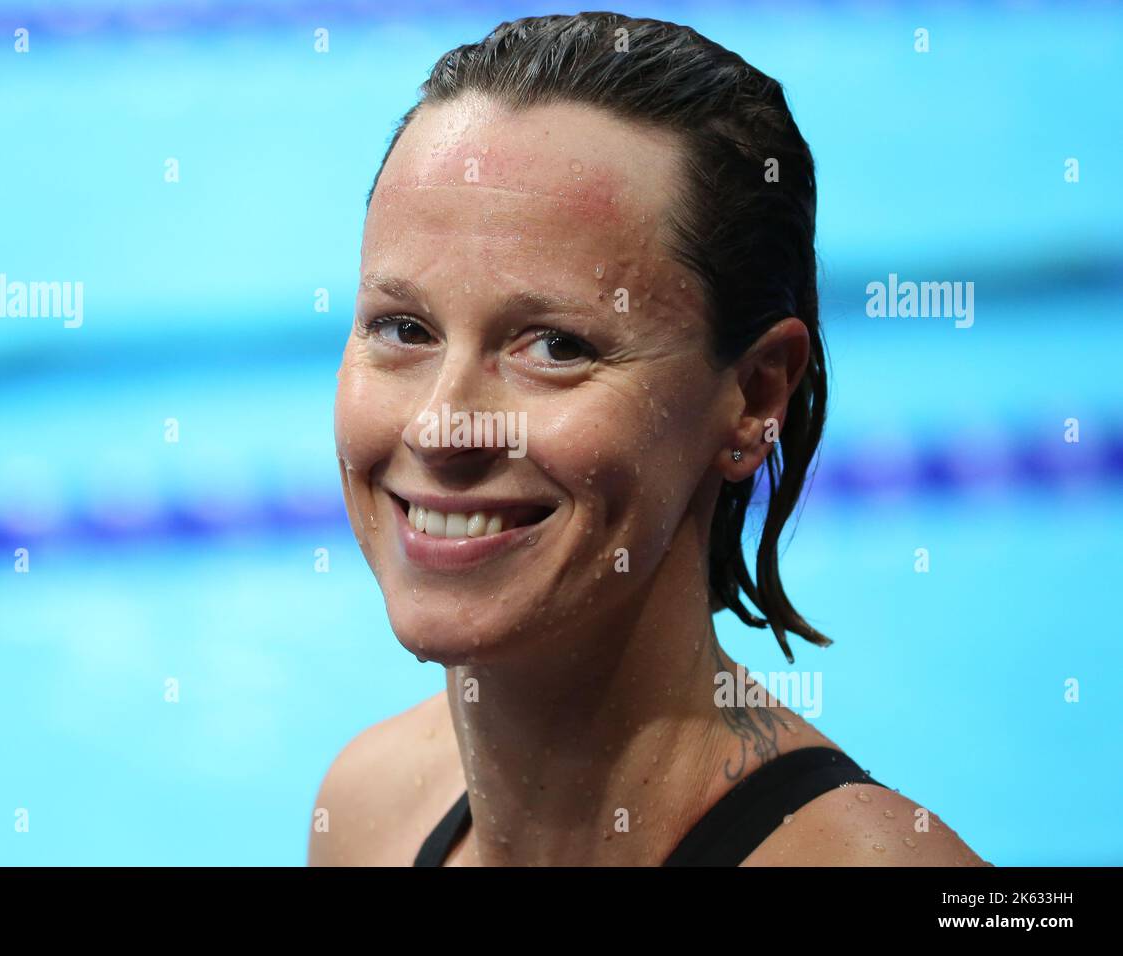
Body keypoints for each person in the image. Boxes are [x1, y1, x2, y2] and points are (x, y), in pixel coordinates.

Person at [310, 12, 987, 866]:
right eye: (404, 328)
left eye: (557, 347)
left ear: (753, 394)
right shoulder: (370, 812)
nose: (443, 428)